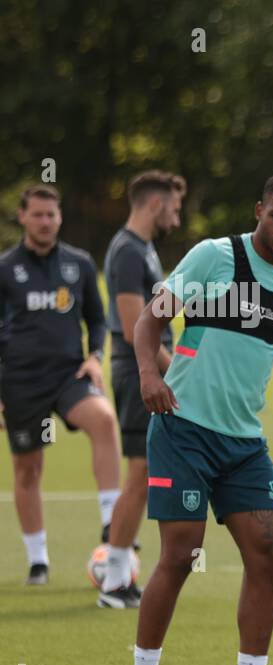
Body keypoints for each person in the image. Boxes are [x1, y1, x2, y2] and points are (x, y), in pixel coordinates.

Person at [121, 173, 273, 665]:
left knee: (266, 554)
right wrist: (149, 373)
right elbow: (151, 320)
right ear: (259, 211)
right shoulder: (214, 258)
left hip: (244, 443)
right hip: (183, 428)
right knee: (180, 552)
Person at [0, 185, 121, 585]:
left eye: (52, 214)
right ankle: (38, 561)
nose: (46, 222)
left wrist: (94, 358)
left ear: (60, 217)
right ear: (23, 217)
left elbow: (99, 320)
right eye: (38, 215)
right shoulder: (5, 269)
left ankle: (109, 522)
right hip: (19, 381)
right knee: (28, 468)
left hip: (69, 375)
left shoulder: (79, 264)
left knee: (103, 419)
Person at [98, 170, 187, 608]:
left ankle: (120, 575)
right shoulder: (128, 252)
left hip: (147, 369)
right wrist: (181, 371)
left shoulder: (144, 249)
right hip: (138, 371)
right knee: (139, 475)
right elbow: (137, 329)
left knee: (145, 477)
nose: (177, 215)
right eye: (173, 206)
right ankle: (114, 581)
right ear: (155, 204)